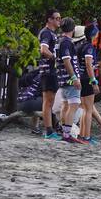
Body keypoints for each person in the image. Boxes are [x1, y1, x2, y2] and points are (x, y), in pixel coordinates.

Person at [37, 10, 62, 140]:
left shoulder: (52, 33)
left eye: (60, 18)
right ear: (49, 19)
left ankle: (51, 128)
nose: (59, 21)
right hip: (48, 70)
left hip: (51, 71)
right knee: (48, 102)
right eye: (57, 18)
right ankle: (48, 130)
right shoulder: (46, 33)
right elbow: (43, 50)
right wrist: (55, 59)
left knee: (50, 101)